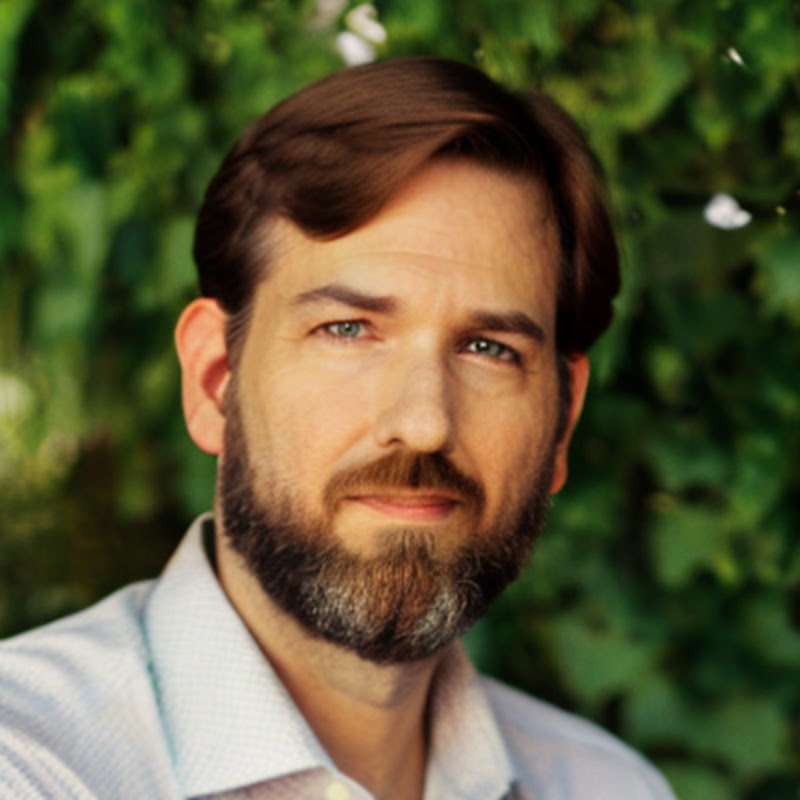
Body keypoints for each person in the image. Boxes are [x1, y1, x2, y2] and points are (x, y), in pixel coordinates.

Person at [0, 57, 676, 800]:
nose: (423, 424)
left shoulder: (611, 787)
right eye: (347, 329)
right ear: (214, 380)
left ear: (562, 422)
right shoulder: (28, 766)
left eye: (489, 348)